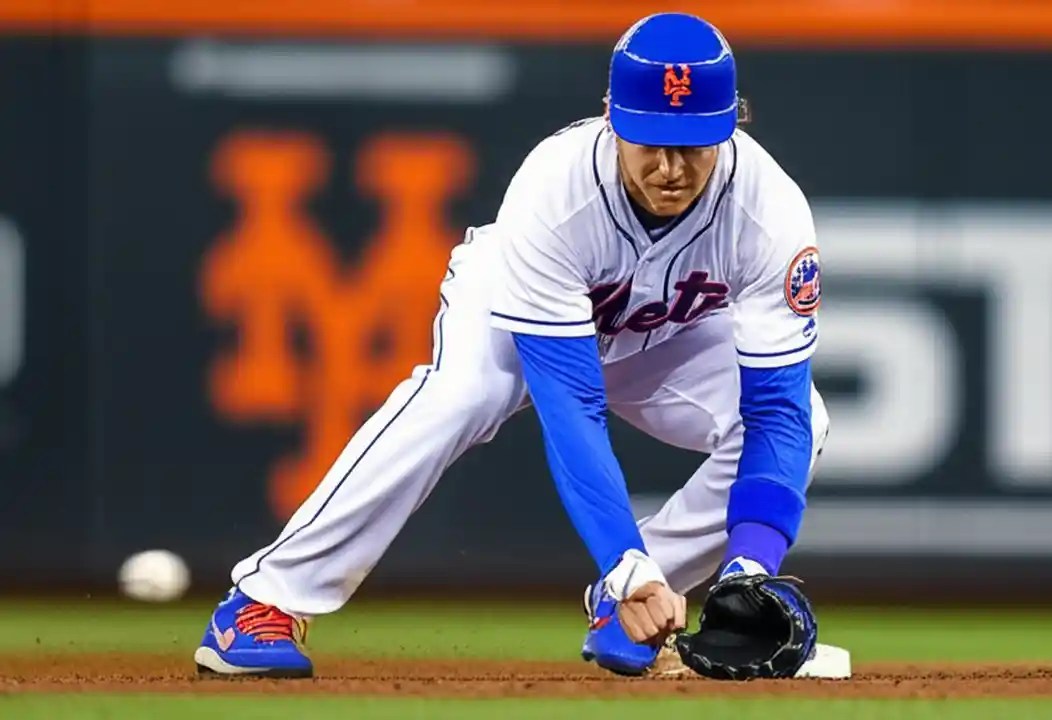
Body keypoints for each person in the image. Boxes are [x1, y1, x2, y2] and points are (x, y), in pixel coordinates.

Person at [194, 11, 828, 680]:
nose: (671, 167)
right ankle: (261, 603)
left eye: (694, 144)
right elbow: (572, 407)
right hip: (515, 308)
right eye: (650, 141)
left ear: (734, 124)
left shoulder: (769, 211)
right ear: (611, 118)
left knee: (809, 418)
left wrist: (752, 566)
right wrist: (622, 560)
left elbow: (775, 414)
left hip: (666, 335)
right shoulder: (556, 191)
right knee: (460, 396)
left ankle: (635, 599)